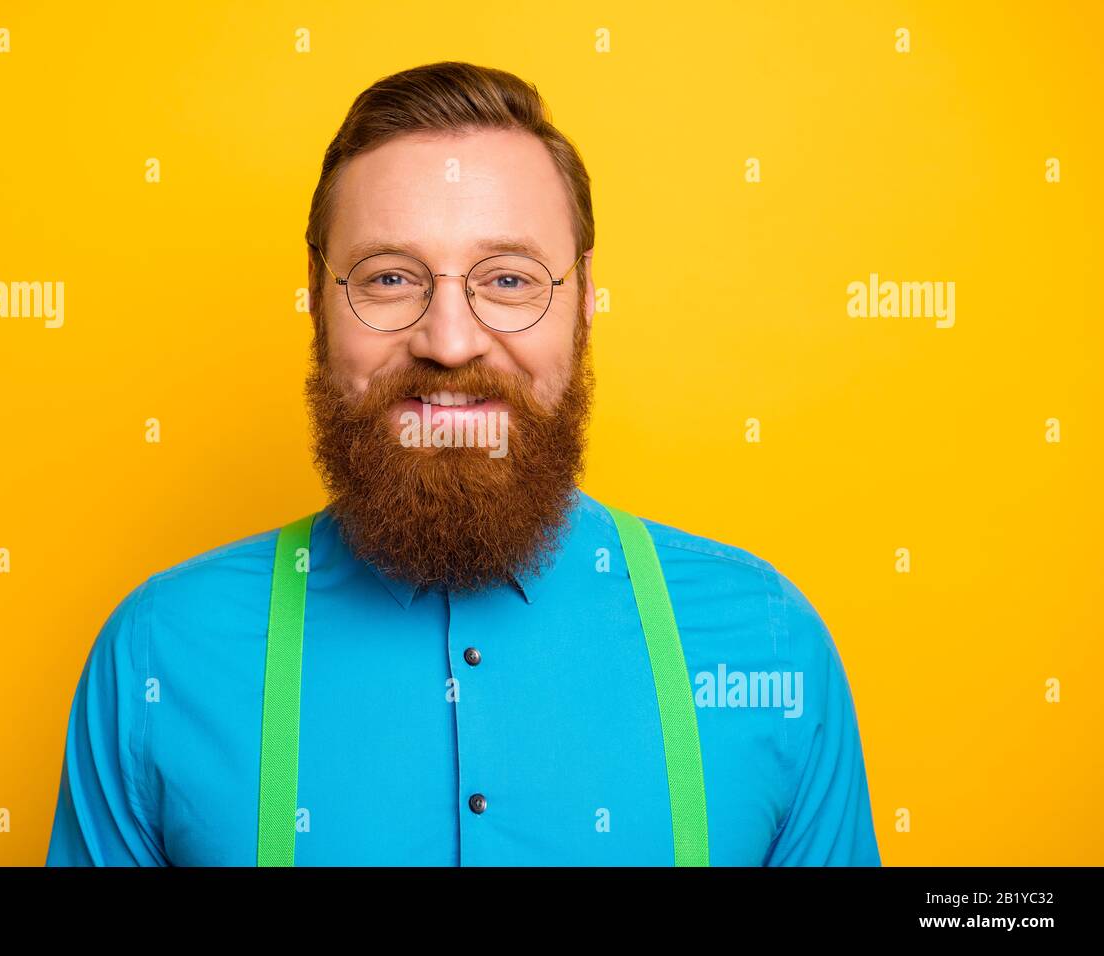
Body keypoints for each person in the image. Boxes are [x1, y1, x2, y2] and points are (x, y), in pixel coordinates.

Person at [45, 60, 880, 866]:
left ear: (586, 300)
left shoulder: (767, 651)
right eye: (390, 278)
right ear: (315, 299)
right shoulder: (158, 657)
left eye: (510, 280)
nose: (449, 342)